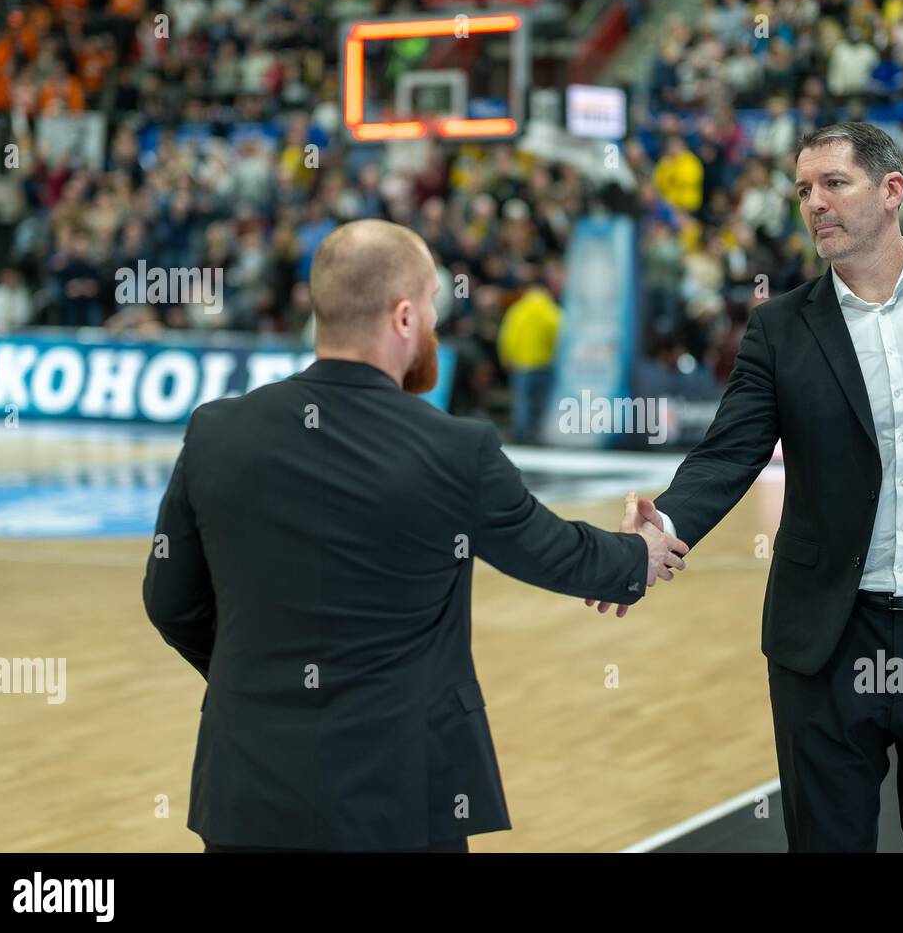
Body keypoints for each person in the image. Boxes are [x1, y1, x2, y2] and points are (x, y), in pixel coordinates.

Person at [592, 123, 903, 852]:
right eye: (804, 189)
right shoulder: (779, 327)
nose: (815, 204)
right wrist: (660, 525)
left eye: (835, 183)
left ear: (892, 190)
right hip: (828, 643)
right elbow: (726, 456)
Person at [143, 219, 688, 852]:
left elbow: (169, 602)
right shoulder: (454, 448)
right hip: (397, 801)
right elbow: (556, 553)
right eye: (431, 305)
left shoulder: (215, 430)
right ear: (404, 317)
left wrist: (258, 679)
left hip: (247, 794)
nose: (434, 323)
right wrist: (638, 553)